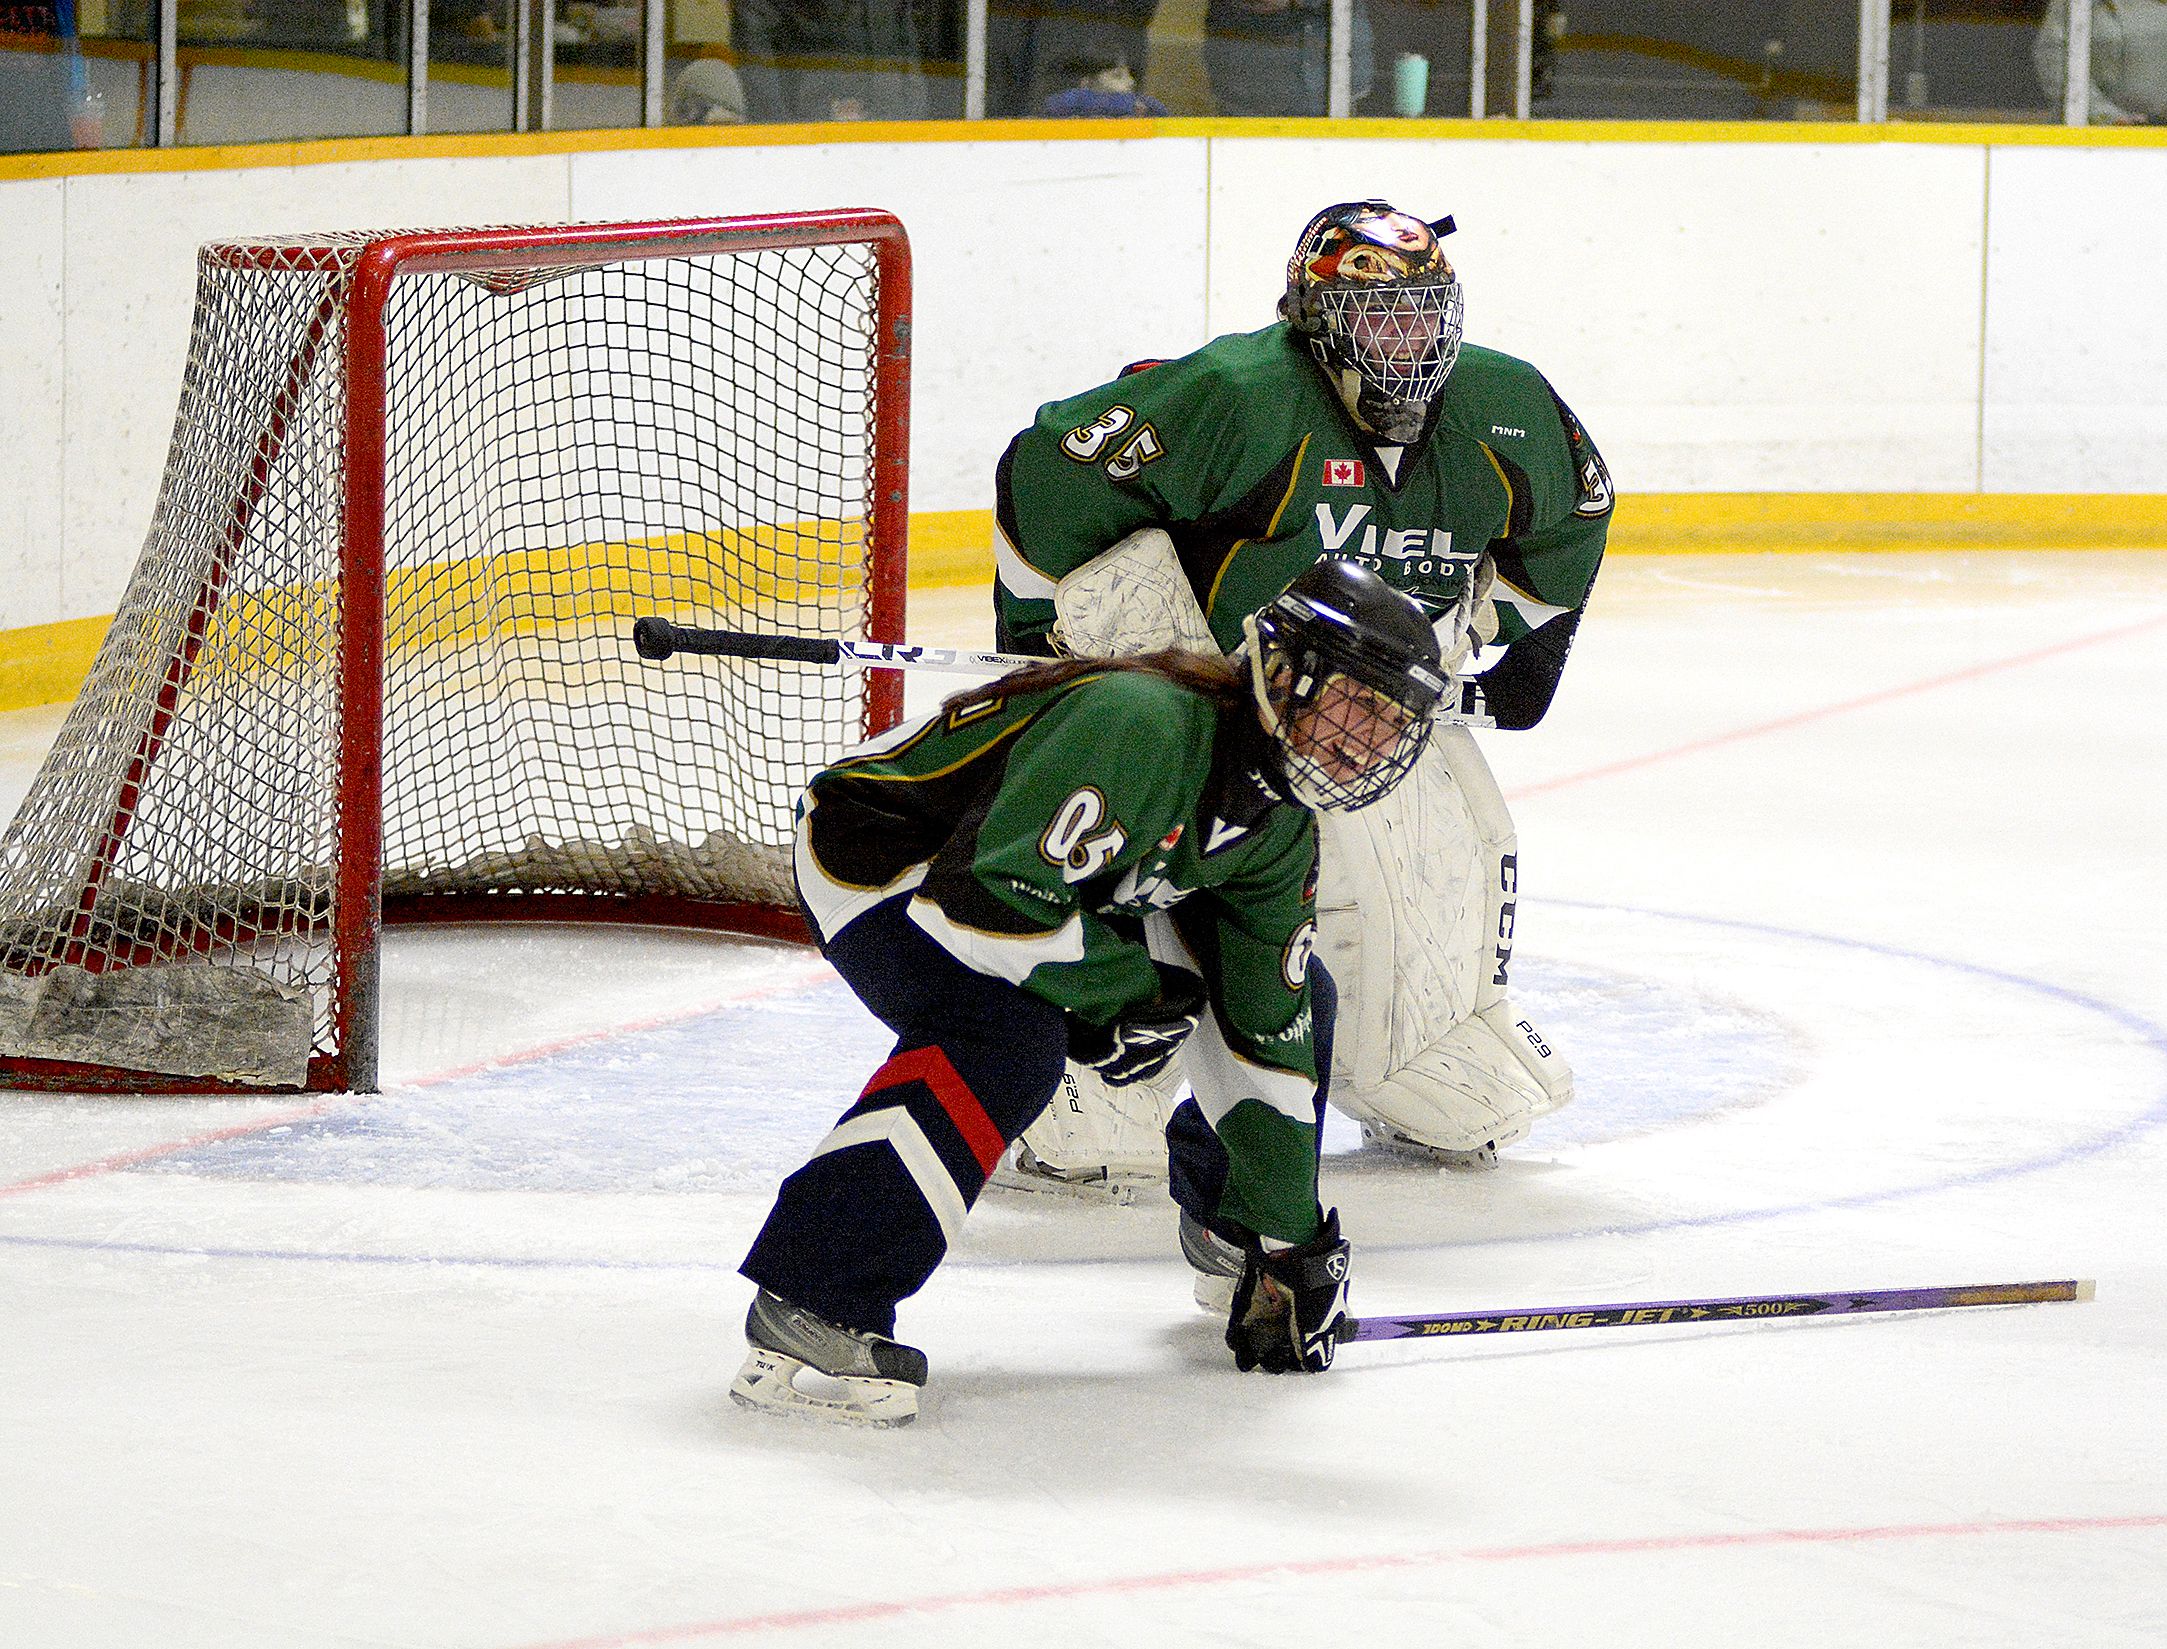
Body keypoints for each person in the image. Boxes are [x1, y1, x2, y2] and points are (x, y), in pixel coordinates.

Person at [733, 560, 1451, 1426]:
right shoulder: (1141, 723)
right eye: (1358, 701)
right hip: (888, 860)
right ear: (1286, 672)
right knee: (1004, 1036)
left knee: (1302, 991)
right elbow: (982, 900)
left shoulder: (1278, 825)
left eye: (1394, 718)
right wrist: (1114, 998)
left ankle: (1234, 1238)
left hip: (1045, 882)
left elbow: (1273, 1023)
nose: (1372, 738)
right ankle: (813, 1297)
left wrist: (1286, 1237)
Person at [989, 199, 1611, 1196]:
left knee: (1438, 866)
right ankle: (1104, 1079)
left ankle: (1418, 1045)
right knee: (1180, 861)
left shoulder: (1507, 405)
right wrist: (1039, 646)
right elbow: (1048, 476)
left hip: (1373, 700)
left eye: (1424, 314)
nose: (1408, 342)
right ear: (1314, 320)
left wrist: (1527, 643)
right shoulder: (1233, 393)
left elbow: (1575, 511)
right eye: (1379, 319)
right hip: (1206, 680)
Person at [2035, 0, 2167, 123]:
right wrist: (2107, 116)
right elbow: (2056, 58)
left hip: (2158, 133)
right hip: (2093, 134)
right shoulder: (2075, 5)